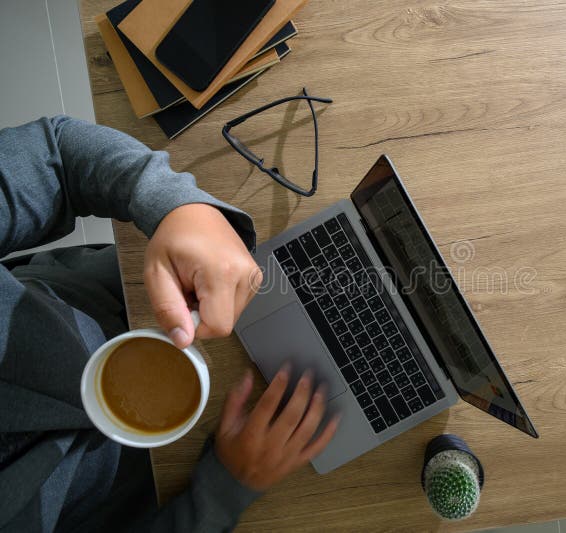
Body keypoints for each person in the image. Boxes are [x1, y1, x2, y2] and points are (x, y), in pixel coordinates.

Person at [0, 116, 339, 532]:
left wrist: (176, 206)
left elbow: (55, 154)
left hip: (120, 285)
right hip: (152, 480)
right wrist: (225, 490)